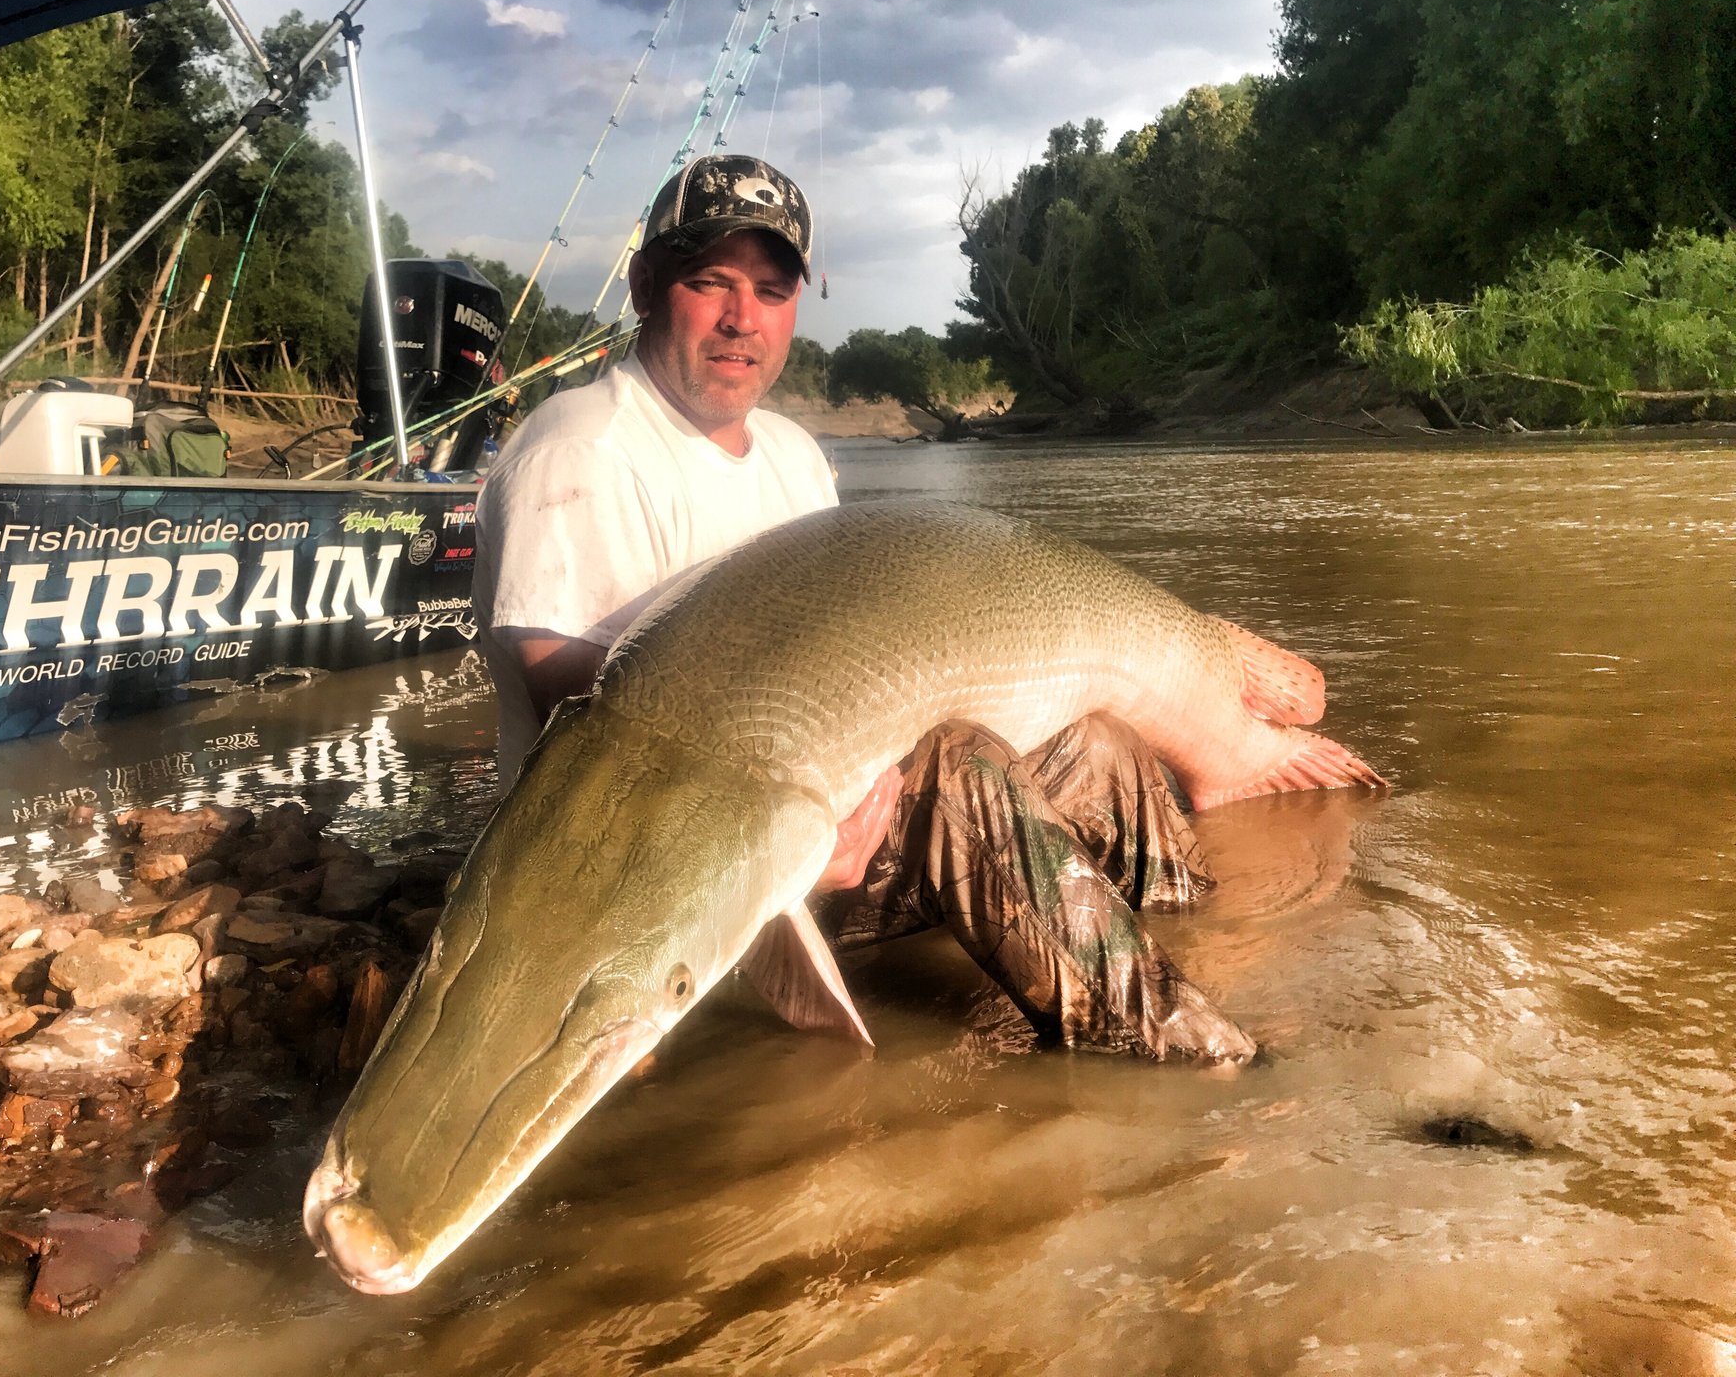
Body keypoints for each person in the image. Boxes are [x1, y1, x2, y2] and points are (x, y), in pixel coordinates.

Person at [473, 154, 1253, 1064]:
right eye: (709, 282)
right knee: (951, 769)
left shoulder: (795, 457)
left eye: (769, 291)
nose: (741, 319)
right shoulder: (578, 450)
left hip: (836, 829)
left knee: (1102, 746)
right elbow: (583, 723)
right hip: (659, 891)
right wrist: (791, 844)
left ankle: (1217, 949)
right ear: (646, 285)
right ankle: (1191, 1059)